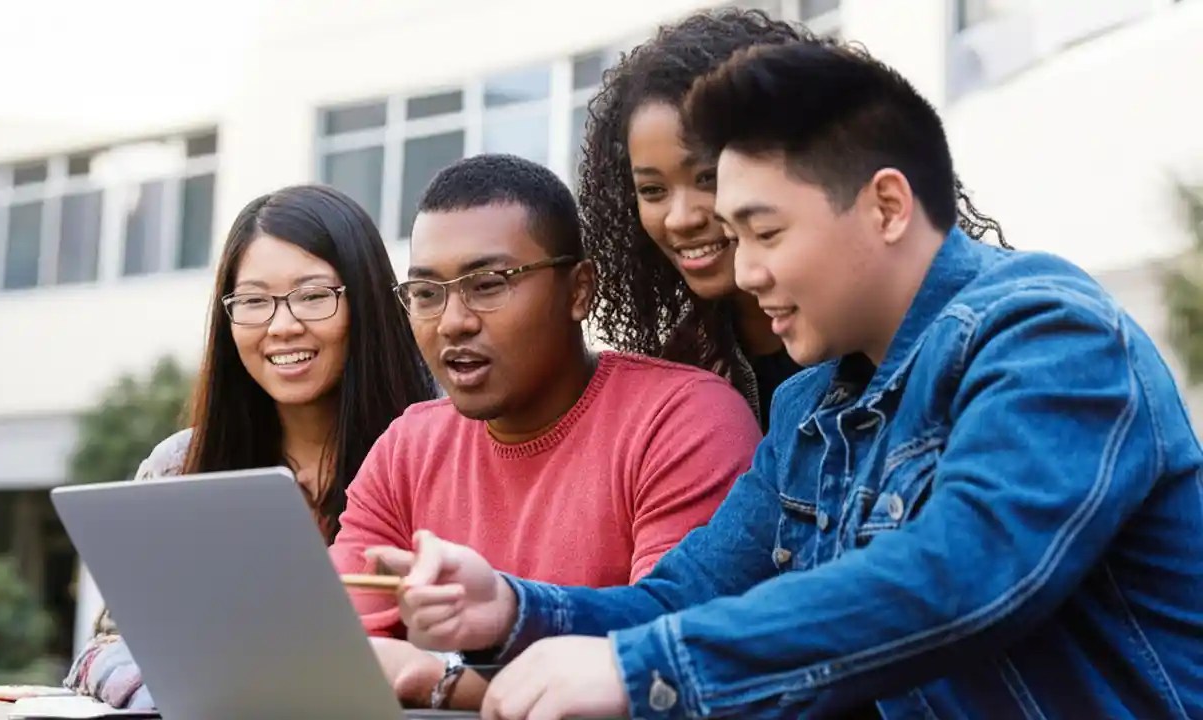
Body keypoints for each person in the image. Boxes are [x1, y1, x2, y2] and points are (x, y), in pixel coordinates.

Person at [377, 44, 1203, 719]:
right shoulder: (811, 406)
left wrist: (641, 669)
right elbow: (691, 594)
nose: (748, 269)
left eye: (765, 232)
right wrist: (511, 610)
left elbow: (961, 576)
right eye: (735, 235)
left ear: (885, 205)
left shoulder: (1049, 338)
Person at [328, 154, 761, 710]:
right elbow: (340, 655)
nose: (453, 321)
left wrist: (434, 678)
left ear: (579, 291)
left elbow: (665, 666)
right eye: (427, 293)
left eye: (488, 284)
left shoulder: (684, 420)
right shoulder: (406, 448)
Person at [64, 184, 436, 709]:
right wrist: (158, 697)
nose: (282, 327)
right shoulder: (180, 466)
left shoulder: (440, 450)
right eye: (254, 302)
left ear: (368, 301)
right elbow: (105, 648)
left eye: (312, 296)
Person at [579, 8, 1007, 430]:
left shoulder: (985, 330)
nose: (681, 218)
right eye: (653, 190)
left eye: (709, 178)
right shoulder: (688, 371)